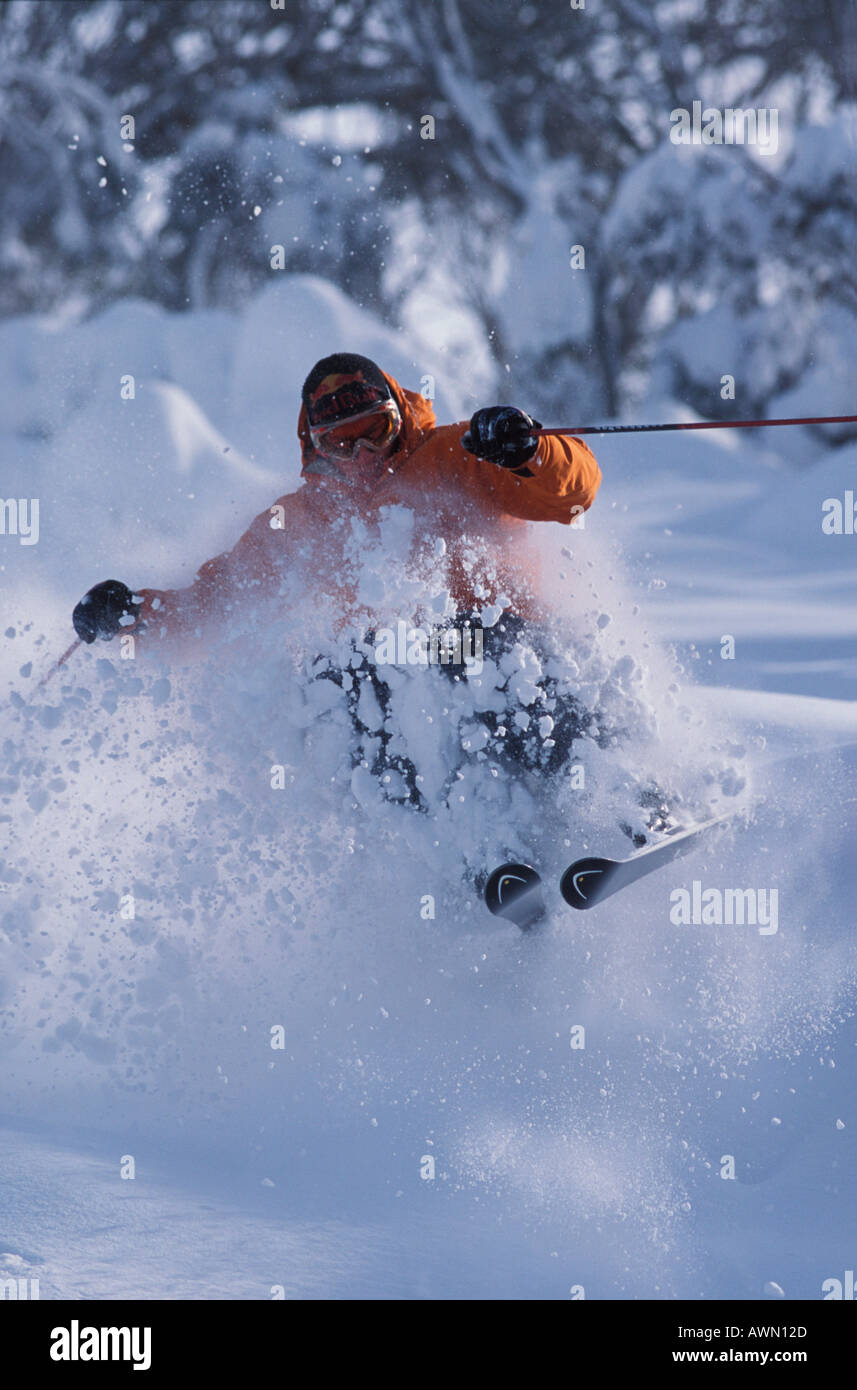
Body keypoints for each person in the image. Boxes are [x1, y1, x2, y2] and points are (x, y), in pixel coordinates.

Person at [72, 353, 602, 654]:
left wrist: (529, 449)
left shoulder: (459, 455)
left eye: (376, 432)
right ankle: (443, 842)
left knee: (483, 646)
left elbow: (574, 495)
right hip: (410, 668)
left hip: (515, 643)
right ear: (315, 448)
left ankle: (623, 798)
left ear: (399, 416)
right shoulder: (304, 520)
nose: (366, 456)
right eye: (343, 445)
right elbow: (223, 599)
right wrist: (138, 612)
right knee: (345, 675)